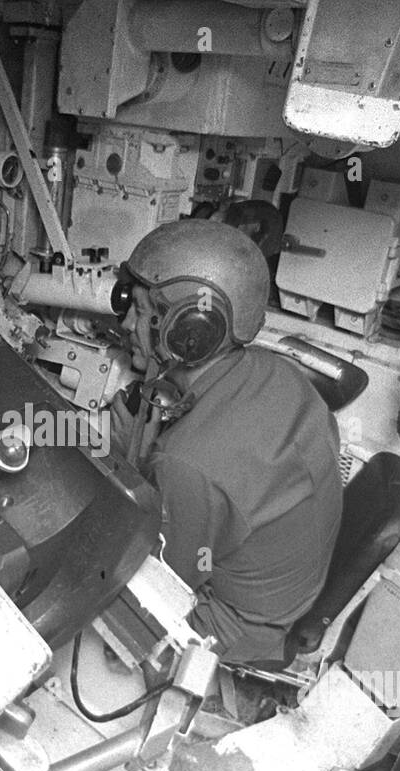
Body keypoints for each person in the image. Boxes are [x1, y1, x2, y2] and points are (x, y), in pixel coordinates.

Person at [109, 218, 342, 667]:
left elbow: (163, 575)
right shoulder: (277, 373)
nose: (125, 323)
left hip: (238, 629)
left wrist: (128, 463)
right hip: (291, 589)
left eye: (139, 310)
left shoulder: (188, 465)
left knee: (106, 593)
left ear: (189, 331)